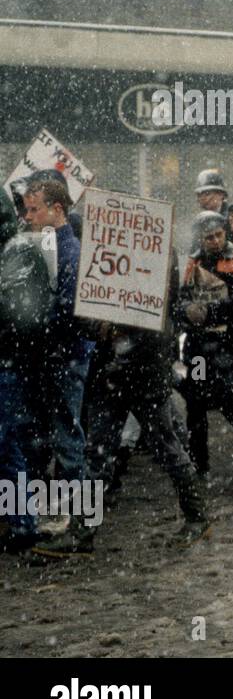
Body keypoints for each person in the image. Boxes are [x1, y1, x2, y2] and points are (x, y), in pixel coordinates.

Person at [41, 252, 210, 556]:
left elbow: (164, 314)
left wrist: (129, 330)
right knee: (98, 453)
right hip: (110, 374)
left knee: (167, 447)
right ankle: (82, 531)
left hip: (144, 373)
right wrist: (103, 328)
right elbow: (83, 312)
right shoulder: (100, 251)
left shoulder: (158, 251)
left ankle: (198, 517)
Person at [21, 178, 96, 545]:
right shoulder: (45, 248)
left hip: (65, 357)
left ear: (58, 209)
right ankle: (63, 514)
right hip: (52, 356)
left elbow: (68, 311)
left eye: (35, 209)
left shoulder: (70, 252)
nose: (29, 217)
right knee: (48, 438)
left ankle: (82, 522)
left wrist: (32, 323)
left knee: (67, 439)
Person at [177, 211, 233, 479]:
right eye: (208, 237)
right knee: (195, 401)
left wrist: (210, 311)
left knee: (222, 396)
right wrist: (188, 310)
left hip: (226, 343)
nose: (214, 241)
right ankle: (198, 462)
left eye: (218, 235)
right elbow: (179, 299)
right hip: (198, 345)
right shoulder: (191, 263)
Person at [0, 189, 52, 554]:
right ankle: (19, 523)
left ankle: (23, 523)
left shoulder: (18, 251)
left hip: (8, 366)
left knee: (6, 446)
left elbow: (20, 314)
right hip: (9, 364)